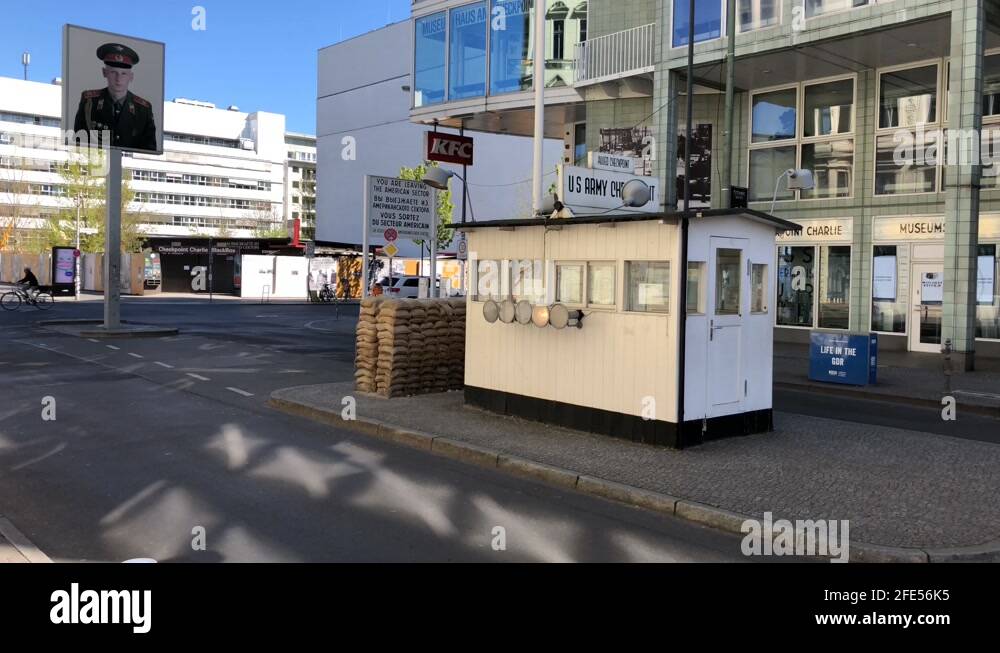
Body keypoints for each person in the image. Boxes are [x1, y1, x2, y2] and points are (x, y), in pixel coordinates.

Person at [74, 43, 157, 152]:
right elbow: (79, 140)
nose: (118, 79)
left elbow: (149, 149)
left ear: (131, 77)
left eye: (123, 74)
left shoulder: (143, 109)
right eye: (113, 72)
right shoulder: (90, 101)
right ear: (104, 73)